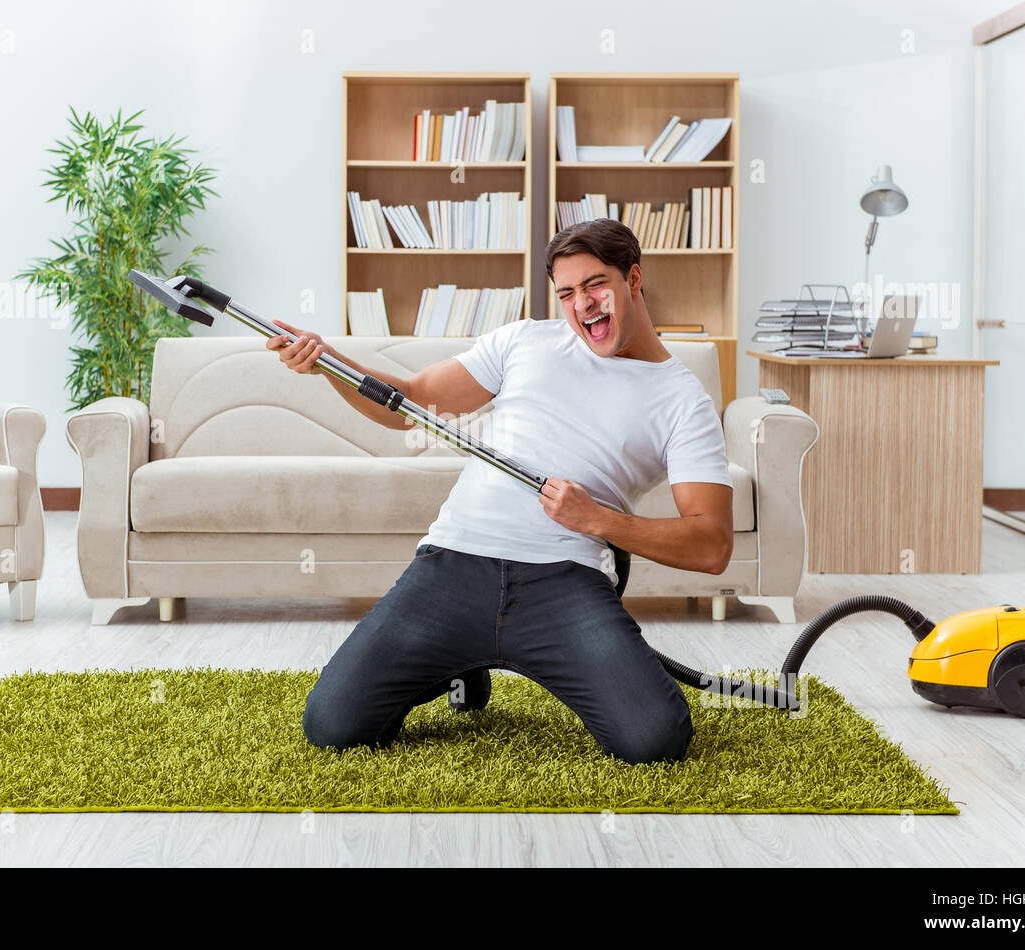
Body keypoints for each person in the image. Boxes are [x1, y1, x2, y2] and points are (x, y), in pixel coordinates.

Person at [267, 218, 734, 763]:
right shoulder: (525, 342)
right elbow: (413, 401)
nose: (583, 304)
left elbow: (711, 545)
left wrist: (597, 520)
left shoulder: (683, 400)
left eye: (595, 284)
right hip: (455, 562)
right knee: (332, 725)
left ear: (634, 279)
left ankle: (476, 656)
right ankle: (461, 665)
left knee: (655, 740)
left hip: (565, 581)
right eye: (567, 292)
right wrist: (326, 363)